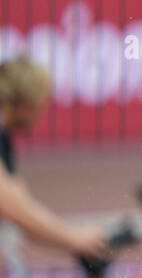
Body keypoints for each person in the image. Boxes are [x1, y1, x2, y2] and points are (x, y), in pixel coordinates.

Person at [0, 58, 108, 265]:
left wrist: (75, 237)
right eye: (42, 102)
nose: (43, 111)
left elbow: (20, 204)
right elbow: (10, 206)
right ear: (26, 102)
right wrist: (74, 237)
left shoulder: (3, 137)